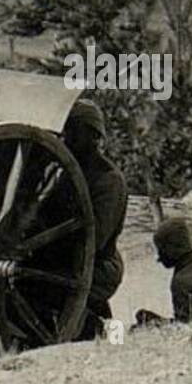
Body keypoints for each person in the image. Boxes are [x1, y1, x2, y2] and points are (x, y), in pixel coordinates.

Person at [63, 100, 128, 336]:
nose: (65, 136)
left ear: (93, 135)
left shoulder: (108, 179)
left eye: (73, 129)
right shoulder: (62, 166)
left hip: (98, 265)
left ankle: (113, 334)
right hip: (64, 258)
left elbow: (95, 238)